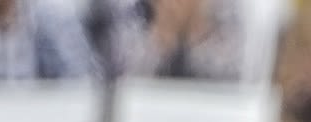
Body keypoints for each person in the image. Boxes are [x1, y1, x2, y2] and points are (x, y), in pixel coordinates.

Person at [92, 0, 245, 79]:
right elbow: (122, 80)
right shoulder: (131, 12)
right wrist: (162, 36)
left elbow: (233, 80)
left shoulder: (224, 11)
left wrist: (196, 30)